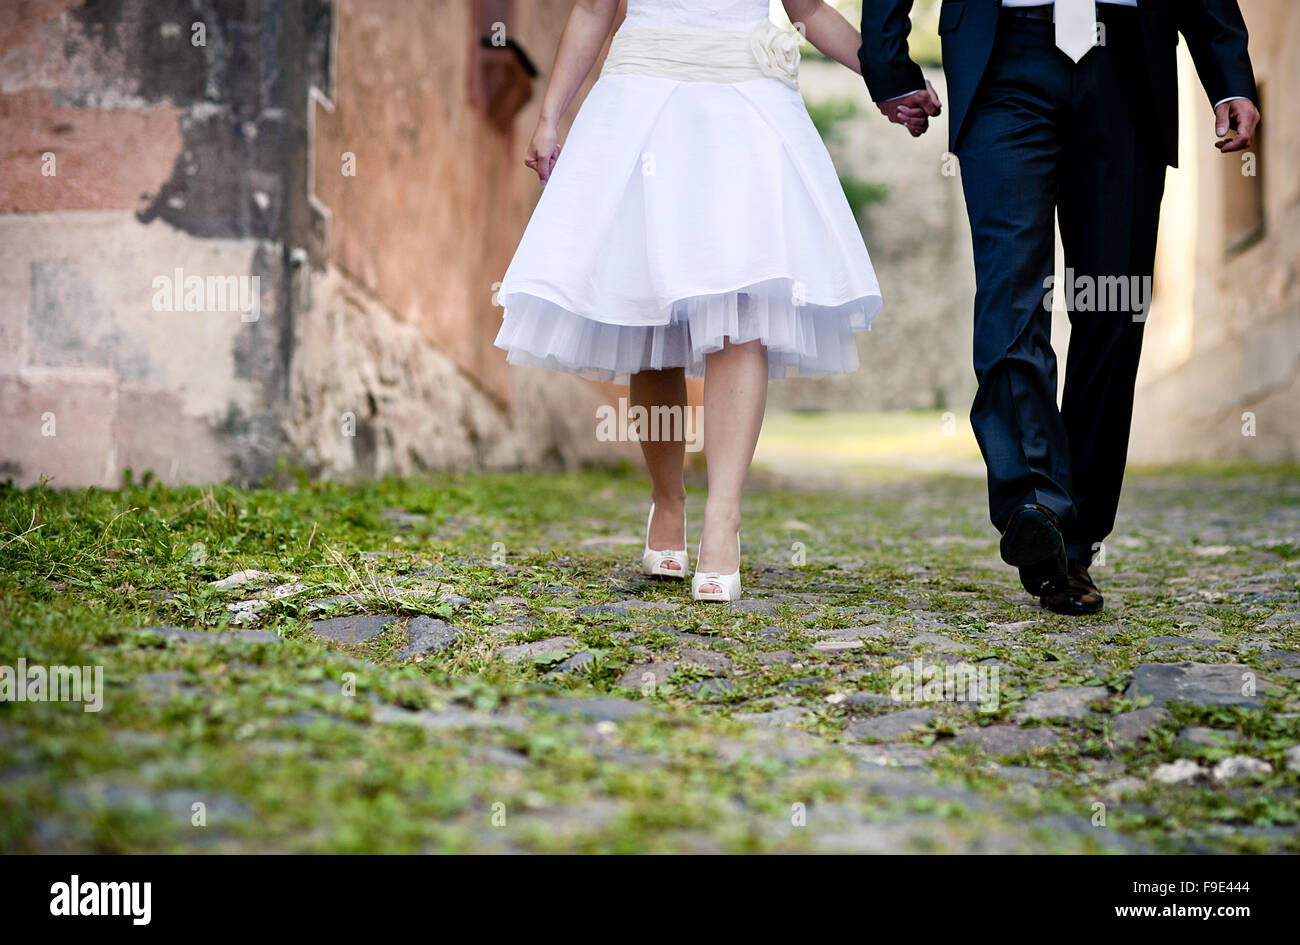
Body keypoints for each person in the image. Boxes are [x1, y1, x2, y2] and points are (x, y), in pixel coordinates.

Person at [860, 0, 1260, 614]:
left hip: (1129, 69)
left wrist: (1228, 72)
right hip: (1002, 64)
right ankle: (1034, 505)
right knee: (1011, 293)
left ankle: (1075, 543)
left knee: (1113, 313)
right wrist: (888, 61)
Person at [496, 0, 883, 602]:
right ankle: (668, 505)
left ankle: (723, 521)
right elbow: (596, 7)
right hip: (644, 95)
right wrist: (551, 116)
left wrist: (889, 78)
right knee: (652, 312)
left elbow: (806, 9)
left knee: (743, 309)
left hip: (747, 107)